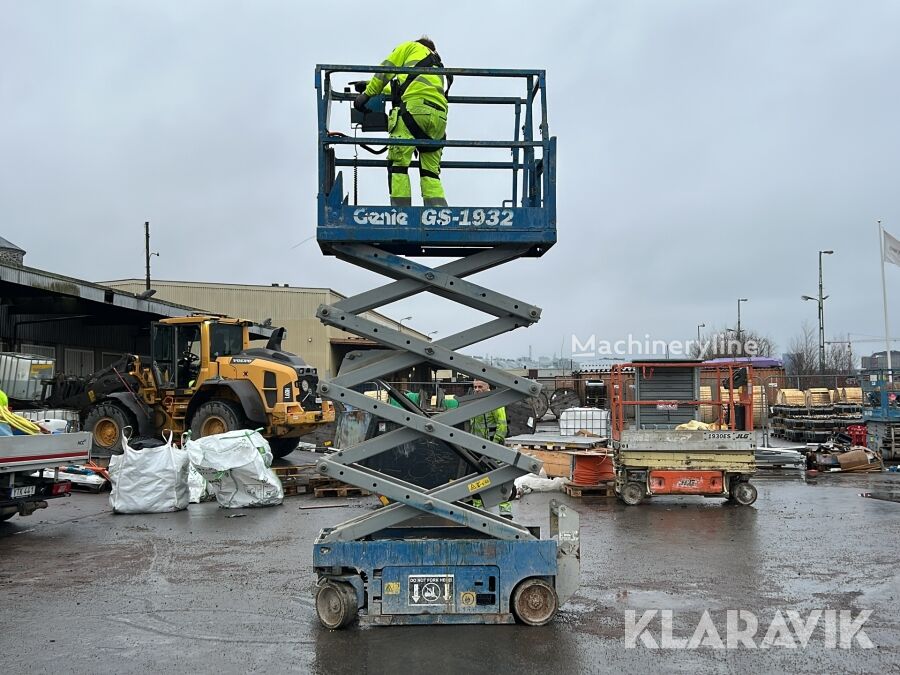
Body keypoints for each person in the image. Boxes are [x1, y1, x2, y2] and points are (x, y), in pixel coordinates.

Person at [354, 36, 449, 207]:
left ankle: (401, 213)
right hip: (439, 118)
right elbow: (404, 87)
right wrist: (369, 85)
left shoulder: (410, 47)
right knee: (430, 172)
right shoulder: (438, 67)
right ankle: (438, 212)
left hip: (414, 110)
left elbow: (385, 70)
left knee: (398, 165)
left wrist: (367, 94)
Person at [469, 380, 513, 519]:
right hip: (476, 447)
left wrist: (494, 444)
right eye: (475, 387)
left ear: (488, 387)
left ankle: (505, 510)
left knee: (499, 476)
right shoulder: (474, 402)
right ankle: (478, 506)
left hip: (492, 447)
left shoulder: (494, 402)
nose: (477, 389)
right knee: (476, 476)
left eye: (480, 387)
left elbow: (502, 425)